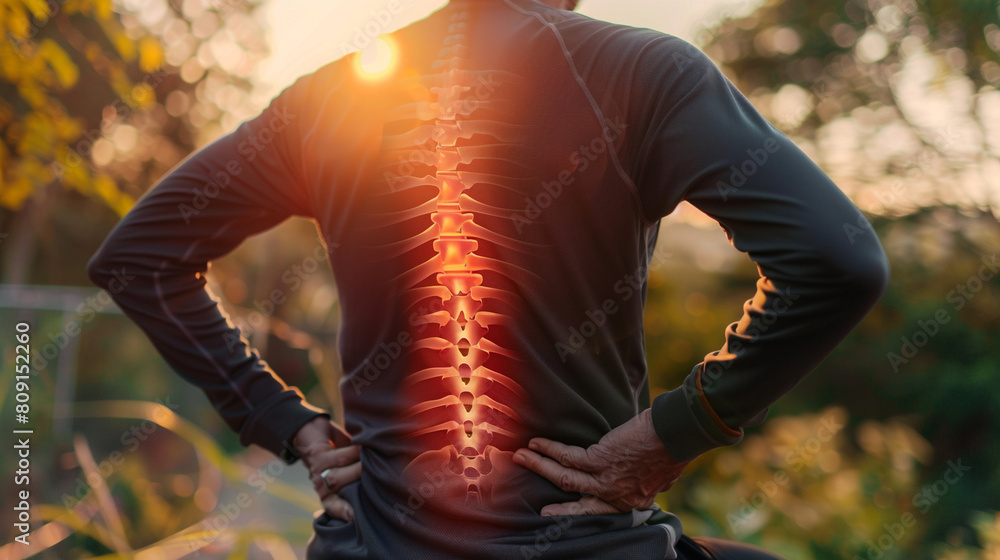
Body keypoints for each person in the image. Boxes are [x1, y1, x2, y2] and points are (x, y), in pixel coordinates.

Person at [86, 0, 890, 558]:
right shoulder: (645, 71)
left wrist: (281, 420)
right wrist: (676, 433)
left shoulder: (329, 98)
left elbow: (139, 256)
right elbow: (838, 258)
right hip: (586, 544)